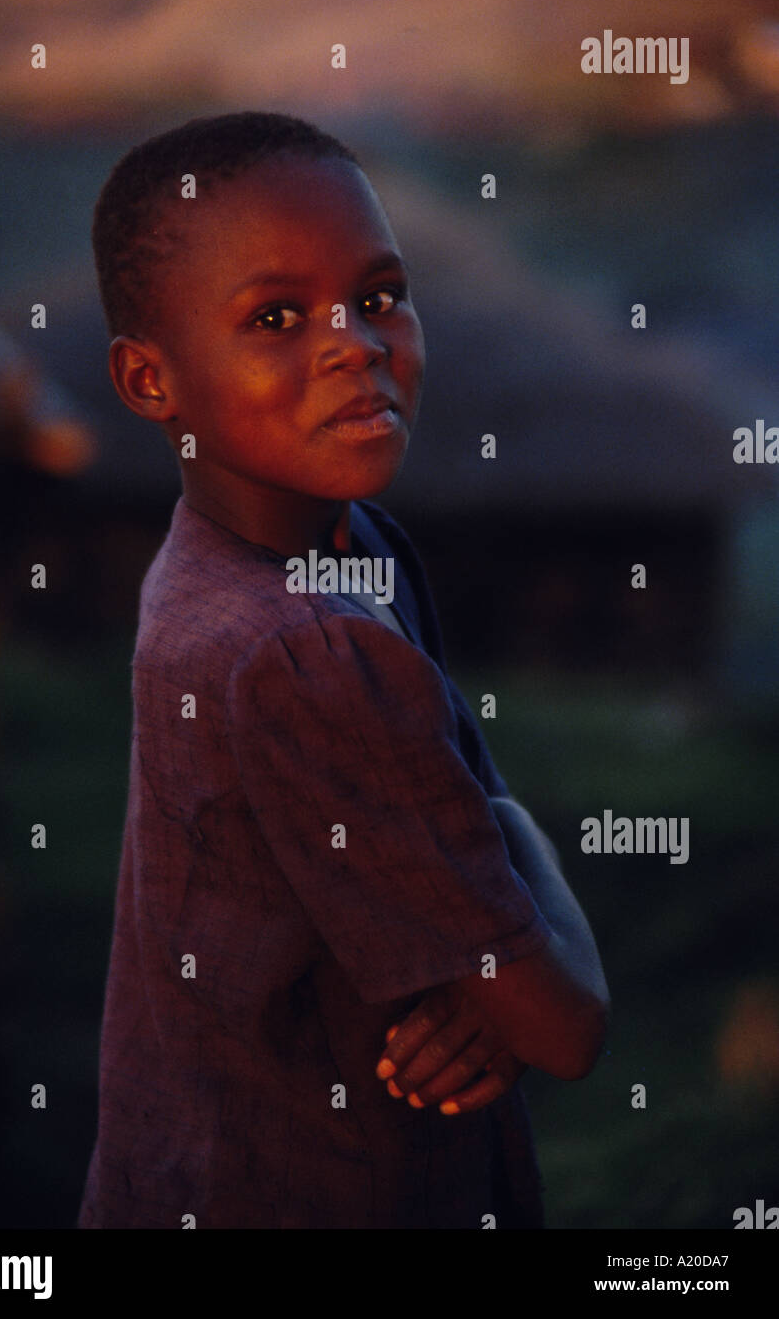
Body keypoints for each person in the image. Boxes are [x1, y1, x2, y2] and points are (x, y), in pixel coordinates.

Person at [77, 112, 609, 1230]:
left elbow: (449, 804)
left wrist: (485, 940)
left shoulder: (320, 549)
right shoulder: (297, 646)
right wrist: (528, 871)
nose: (352, 344)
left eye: (376, 297)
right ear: (147, 378)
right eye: (275, 318)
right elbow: (566, 1024)